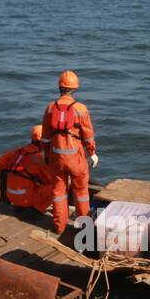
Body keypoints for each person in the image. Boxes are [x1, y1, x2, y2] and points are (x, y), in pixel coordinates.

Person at [40, 70, 98, 234]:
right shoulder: (81, 109)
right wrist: (92, 153)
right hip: (76, 159)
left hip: (56, 158)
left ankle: (59, 227)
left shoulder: (50, 108)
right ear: (75, 89)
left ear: (59, 87)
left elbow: (45, 137)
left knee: (58, 193)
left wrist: (45, 154)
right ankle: (84, 229)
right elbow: (88, 135)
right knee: (81, 193)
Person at [0, 125, 54, 214]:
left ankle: (22, 206)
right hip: (25, 198)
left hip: (11, 195)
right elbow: (49, 180)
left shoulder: (17, 151)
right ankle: (37, 211)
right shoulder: (39, 158)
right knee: (56, 186)